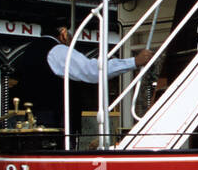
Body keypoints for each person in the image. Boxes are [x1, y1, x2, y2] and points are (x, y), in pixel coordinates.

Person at [20, 25, 154, 135]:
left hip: (32, 120)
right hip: (55, 123)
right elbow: (92, 70)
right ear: (64, 33)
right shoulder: (58, 50)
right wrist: (134, 61)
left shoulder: (29, 50)